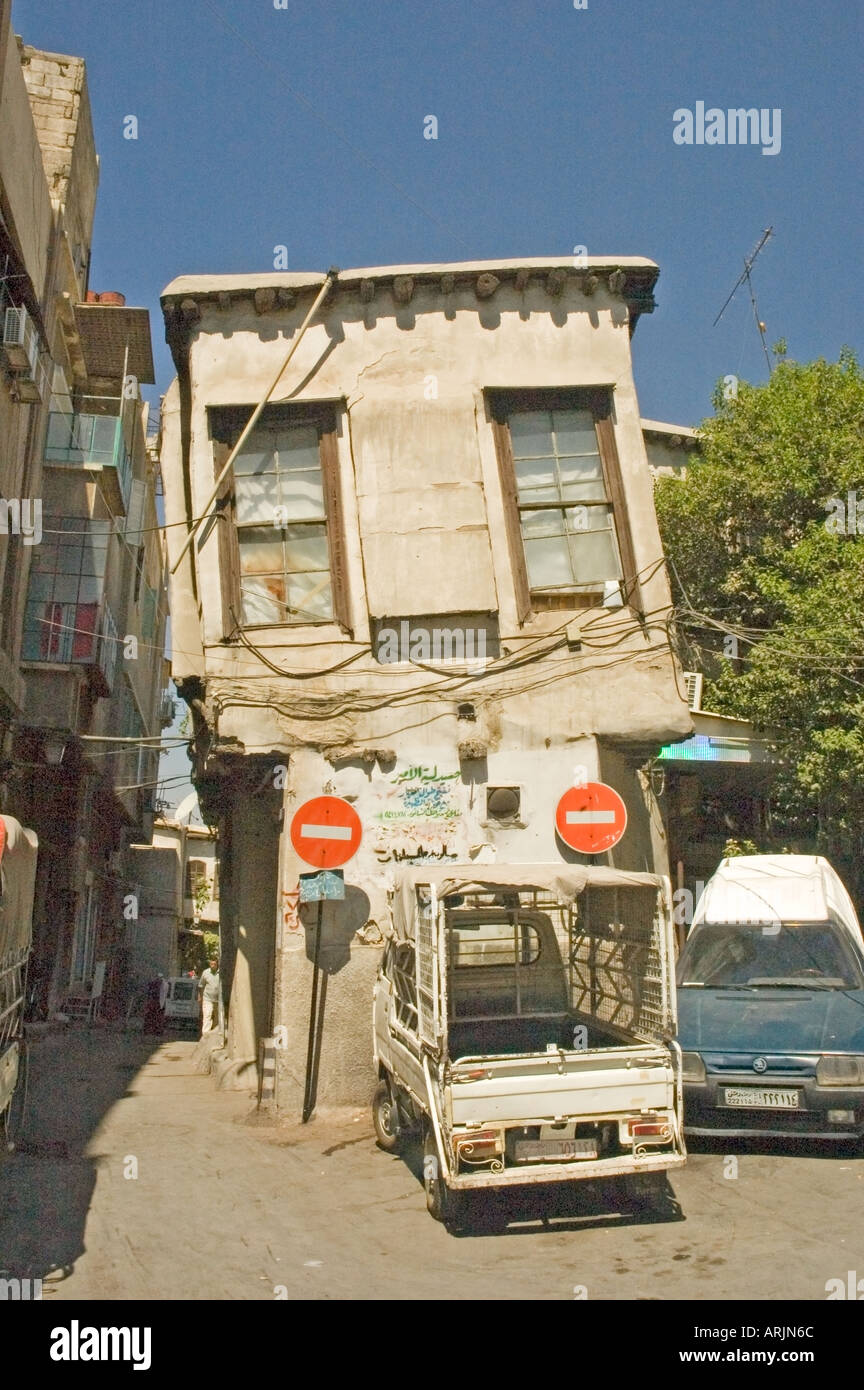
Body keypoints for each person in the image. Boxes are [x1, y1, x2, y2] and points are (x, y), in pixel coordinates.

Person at [198, 957, 220, 1035]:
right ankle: (205, 1035)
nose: (212, 966)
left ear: (217, 964)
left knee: (217, 1019)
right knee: (207, 1016)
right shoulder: (205, 972)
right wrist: (200, 997)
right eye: (211, 964)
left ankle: (215, 1035)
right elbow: (201, 985)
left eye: (214, 964)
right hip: (207, 999)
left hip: (218, 1000)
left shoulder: (221, 973)